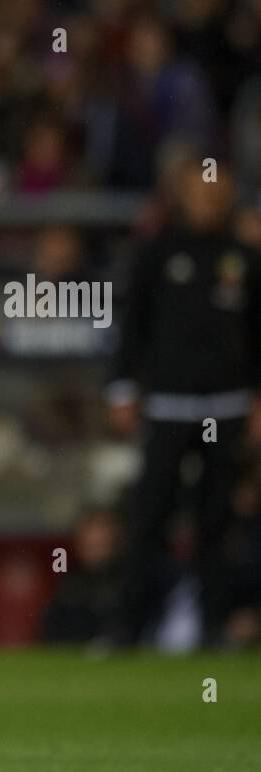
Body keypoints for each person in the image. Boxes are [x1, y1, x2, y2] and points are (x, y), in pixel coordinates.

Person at [107, 163, 261, 649]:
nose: (209, 203)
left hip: (228, 407)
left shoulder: (245, 258)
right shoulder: (156, 254)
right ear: (184, 195)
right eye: (201, 193)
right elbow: (133, 327)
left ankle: (213, 628)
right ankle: (128, 628)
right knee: (148, 518)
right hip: (169, 407)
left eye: (218, 194)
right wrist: (123, 388)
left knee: (218, 522)